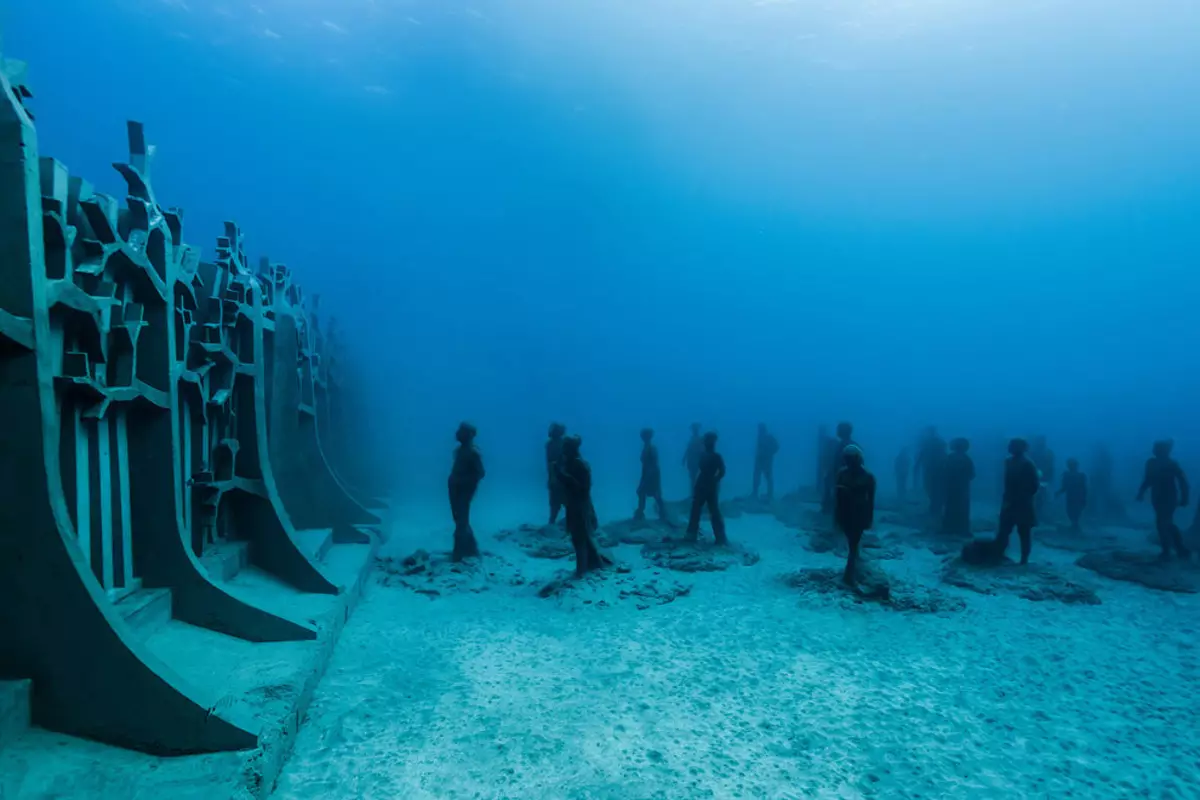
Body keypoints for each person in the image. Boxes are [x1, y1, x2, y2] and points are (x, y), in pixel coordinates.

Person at [556, 435, 611, 576]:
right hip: (574, 505)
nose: (562, 449)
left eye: (565, 446)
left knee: (579, 536)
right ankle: (592, 564)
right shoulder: (570, 464)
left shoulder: (579, 464)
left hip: (579, 506)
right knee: (581, 536)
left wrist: (565, 478)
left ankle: (581, 569)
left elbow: (584, 488)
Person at [1136, 439, 1190, 560]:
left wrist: (1185, 497)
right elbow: (1148, 479)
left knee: (1163, 522)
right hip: (1157, 497)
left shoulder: (1171, 464)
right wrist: (1141, 492)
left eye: (1157, 448)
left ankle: (1169, 550)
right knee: (1164, 523)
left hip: (1169, 497)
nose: (1154, 450)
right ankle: (1178, 548)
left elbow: (1182, 481)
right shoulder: (1151, 463)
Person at [994, 437, 1040, 565]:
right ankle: (999, 554)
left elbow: (1034, 485)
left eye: (1013, 446)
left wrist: (1021, 497)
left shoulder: (1028, 464)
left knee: (1023, 532)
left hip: (1023, 503)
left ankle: (1024, 559)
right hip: (1009, 501)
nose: (1010, 448)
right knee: (1004, 530)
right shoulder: (1008, 462)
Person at [834, 445, 876, 585]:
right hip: (845, 514)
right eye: (847, 459)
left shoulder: (868, 477)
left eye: (850, 459)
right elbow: (838, 498)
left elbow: (870, 501)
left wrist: (869, 519)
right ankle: (854, 569)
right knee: (852, 542)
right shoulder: (842, 474)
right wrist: (837, 516)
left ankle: (850, 572)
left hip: (858, 514)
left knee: (854, 543)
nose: (848, 462)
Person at [448, 422, 485, 562]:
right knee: (459, 518)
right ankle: (470, 548)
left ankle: (458, 552)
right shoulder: (458, 451)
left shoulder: (473, 453)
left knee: (461, 520)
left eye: (461, 431)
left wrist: (465, 484)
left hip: (463, 490)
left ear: (469, 435)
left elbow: (480, 473)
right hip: (454, 489)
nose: (457, 433)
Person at [686, 431, 728, 545]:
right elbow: (721, 472)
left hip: (708, 484)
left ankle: (720, 537)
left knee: (712, 511)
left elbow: (722, 471)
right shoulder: (705, 455)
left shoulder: (715, 456)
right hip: (703, 484)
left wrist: (715, 480)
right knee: (697, 510)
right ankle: (692, 534)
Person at [942, 437, 975, 537]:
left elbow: (944, 472)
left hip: (950, 489)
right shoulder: (967, 459)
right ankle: (962, 529)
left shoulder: (950, 457)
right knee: (963, 509)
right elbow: (972, 475)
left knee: (950, 508)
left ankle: (948, 528)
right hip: (963, 489)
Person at [822, 421, 856, 513]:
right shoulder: (851, 445)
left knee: (828, 484)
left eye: (839, 430)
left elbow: (839, 462)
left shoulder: (844, 445)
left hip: (843, 477)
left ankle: (827, 511)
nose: (837, 431)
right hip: (847, 477)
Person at [635, 427, 666, 521]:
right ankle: (661, 512)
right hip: (647, 474)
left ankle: (642, 512)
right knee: (646, 492)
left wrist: (648, 476)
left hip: (651, 474)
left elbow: (653, 463)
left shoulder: (651, 448)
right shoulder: (646, 448)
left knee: (647, 492)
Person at [915, 427, 948, 516]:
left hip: (932, 470)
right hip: (935, 470)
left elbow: (920, 456)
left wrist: (916, 469)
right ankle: (936, 508)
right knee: (934, 489)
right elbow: (945, 455)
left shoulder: (928, 443)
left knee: (932, 489)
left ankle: (935, 509)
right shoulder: (939, 442)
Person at [1056, 458, 1088, 532]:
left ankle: (1075, 526)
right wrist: (1059, 492)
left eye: (1073, 465)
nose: (1072, 466)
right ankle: (1074, 526)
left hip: (1077, 498)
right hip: (1071, 498)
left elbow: (1084, 488)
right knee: (1070, 512)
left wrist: (1084, 498)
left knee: (1076, 512)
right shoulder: (1067, 475)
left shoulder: (1081, 476)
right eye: (1070, 465)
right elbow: (1064, 487)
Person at [545, 422, 567, 525]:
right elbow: (551, 462)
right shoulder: (552, 444)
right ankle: (552, 523)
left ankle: (553, 523)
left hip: (561, 478)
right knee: (555, 505)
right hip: (558, 478)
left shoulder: (555, 444)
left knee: (559, 504)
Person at [752, 423, 779, 501]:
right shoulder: (759, 438)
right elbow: (758, 450)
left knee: (768, 478)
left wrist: (769, 453)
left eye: (760, 429)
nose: (759, 431)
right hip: (759, 461)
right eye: (759, 429)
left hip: (766, 462)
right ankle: (755, 493)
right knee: (756, 477)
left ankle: (770, 495)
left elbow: (776, 447)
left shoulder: (769, 438)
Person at [682, 422, 704, 494]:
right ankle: (693, 493)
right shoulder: (692, 439)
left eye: (695, 429)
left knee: (697, 478)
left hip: (698, 462)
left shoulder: (700, 439)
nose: (694, 430)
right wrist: (684, 459)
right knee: (692, 478)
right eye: (693, 429)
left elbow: (702, 451)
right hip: (691, 462)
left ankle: (696, 493)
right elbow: (688, 450)